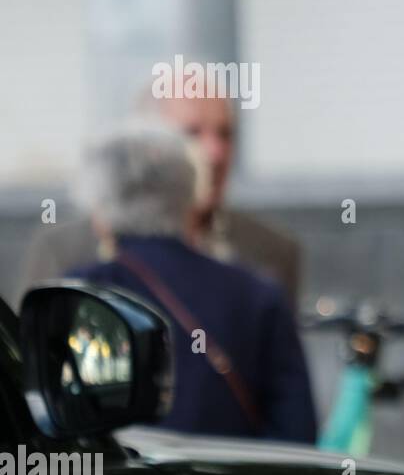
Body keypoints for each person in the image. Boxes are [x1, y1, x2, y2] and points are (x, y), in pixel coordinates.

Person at [67, 124, 317, 444]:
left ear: (100, 208)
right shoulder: (257, 294)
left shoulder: (77, 295)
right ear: (191, 197)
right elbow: (296, 438)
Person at [21, 75, 301, 309]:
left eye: (225, 134)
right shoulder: (63, 252)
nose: (216, 153)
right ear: (147, 148)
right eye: (192, 133)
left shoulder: (272, 253)